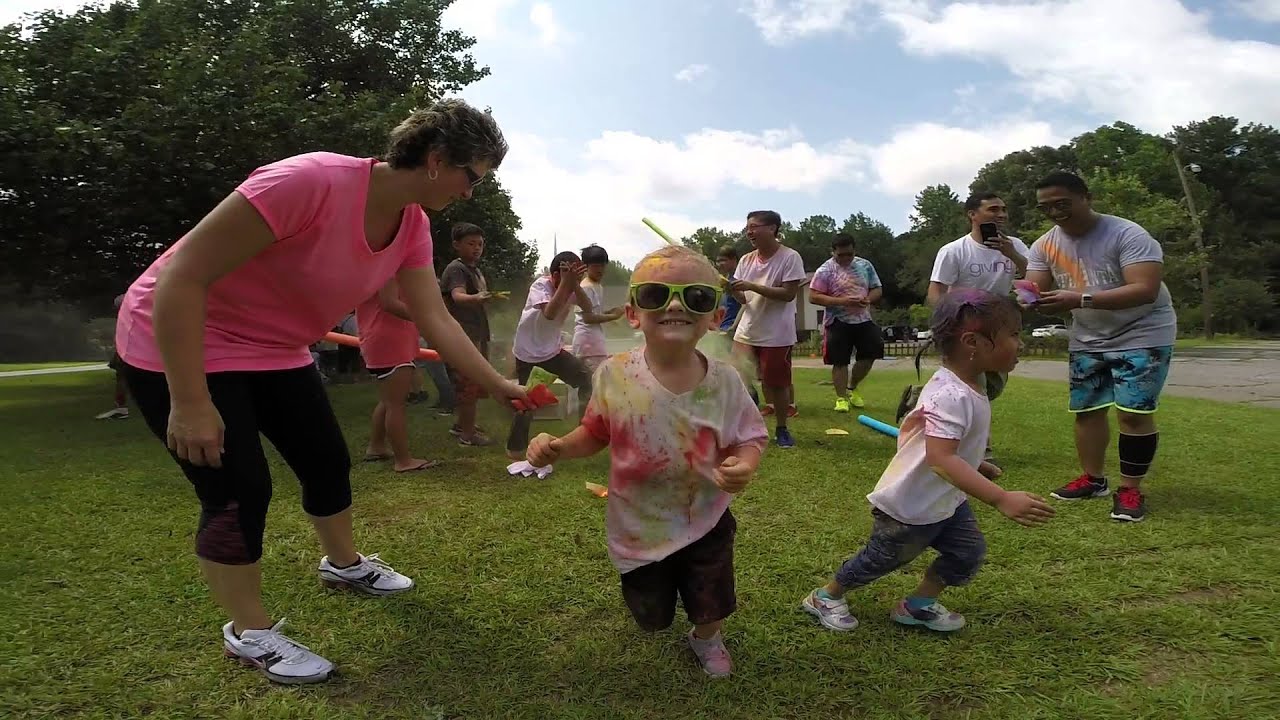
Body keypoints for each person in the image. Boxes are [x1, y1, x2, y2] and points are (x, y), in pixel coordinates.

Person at [113, 99, 528, 685]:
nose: (471, 193)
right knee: (238, 488)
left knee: (326, 461)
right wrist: (190, 400)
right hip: (182, 339)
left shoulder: (411, 223)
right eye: (474, 177)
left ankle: (344, 565)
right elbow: (184, 276)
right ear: (438, 161)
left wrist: (497, 383)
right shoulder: (307, 182)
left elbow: (434, 318)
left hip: (276, 347)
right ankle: (250, 633)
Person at [526, 245, 767, 678]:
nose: (675, 305)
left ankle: (707, 637)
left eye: (695, 297)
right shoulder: (613, 375)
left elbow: (750, 436)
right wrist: (560, 446)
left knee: (710, 593)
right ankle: (659, 611)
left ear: (715, 314)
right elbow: (595, 433)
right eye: (657, 294)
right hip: (638, 521)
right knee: (651, 614)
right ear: (633, 313)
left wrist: (744, 464)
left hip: (705, 516)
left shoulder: (724, 381)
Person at [802, 289, 1054, 634]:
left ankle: (916, 605)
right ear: (973, 342)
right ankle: (825, 596)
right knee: (882, 559)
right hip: (912, 503)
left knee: (967, 552)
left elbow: (945, 447)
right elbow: (939, 458)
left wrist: (974, 462)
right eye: (1013, 334)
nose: (1020, 343)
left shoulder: (972, 384)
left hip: (946, 500)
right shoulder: (951, 395)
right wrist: (1000, 497)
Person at [1024, 171, 1177, 523]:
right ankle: (1094, 479)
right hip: (1088, 335)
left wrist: (1080, 297)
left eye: (1062, 203)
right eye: (1046, 207)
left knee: (1132, 413)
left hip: (1144, 330)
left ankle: (1130, 488)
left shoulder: (1127, 234)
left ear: (1086, 197)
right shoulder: (1044, 245)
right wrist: (1029, 300)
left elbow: (1145, 289)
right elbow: (1033, 288)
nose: (1054, 212)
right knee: (1088, 410)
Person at [928, 192, 1030, 460]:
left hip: (1000, 325)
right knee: (974, 384)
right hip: (964, 327)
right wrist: (945, 324)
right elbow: (936, 290)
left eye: (1004, 209)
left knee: (993, 385)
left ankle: (920, 398)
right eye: (993, 209)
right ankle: (980, 448)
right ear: (972, 215)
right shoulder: (954, 250)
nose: (1001, 215)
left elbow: (1035, 278)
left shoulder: (1016, 245)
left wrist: (1012, 254)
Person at [505, 251, 594, 460]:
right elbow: (550, 313)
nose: (574, 280)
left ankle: (583, 436)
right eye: (568, 275)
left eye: (578, 275)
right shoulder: (540, 286)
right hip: (529, 354)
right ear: (555, 274)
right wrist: (566, 283)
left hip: (553, 351)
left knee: (585, 379)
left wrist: (575, 285)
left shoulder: (571, 287)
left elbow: (588, 309)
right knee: (527, 402)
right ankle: (515, 448)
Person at [729, 211, 806, 448]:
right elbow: (744, 299)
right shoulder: (746, 260)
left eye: (754, 227)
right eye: (747, 227)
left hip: (776, 333)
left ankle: (782, 429)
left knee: (777, 384)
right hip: (747, 329)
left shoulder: (790, 257)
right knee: (735, 377)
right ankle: (741, 427)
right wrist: (731, 289)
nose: (749, 232)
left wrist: (752, 285)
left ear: (772, 228)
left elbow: (788, 294)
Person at [357, 278, 439, 471]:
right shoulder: (390, 268)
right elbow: (390, 303)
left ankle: (376, 447)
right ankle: (404, 461)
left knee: (388, 400)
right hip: (390, 341)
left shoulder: (378, 266)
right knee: (396, 404)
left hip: (383, 339)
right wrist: (427, 318)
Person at [807, 233, 884, 412]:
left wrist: (868, 299)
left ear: (854, 250)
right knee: (840, 361)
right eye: (841, 255)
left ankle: (852, 387)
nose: (845, 258)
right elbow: (813, 296)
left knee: (870, 354)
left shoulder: (865, 265)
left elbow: (877, 288)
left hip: (863, 319)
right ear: (833, 252)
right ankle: (841, 398)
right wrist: (842, 301)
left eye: (849, 254)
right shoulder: (825, 270)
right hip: (837, 320)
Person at [440, 221, 496, 446]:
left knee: (474, 382)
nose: (477, 248)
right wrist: (477, 298)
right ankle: (468, 435)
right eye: (471, 243)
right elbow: (457, 296)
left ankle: (462, 425)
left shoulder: (474, 270)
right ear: (456, 244)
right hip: (460, 335)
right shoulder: (456, 269)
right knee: (468, 383)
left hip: (475, 334)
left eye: (480, 244)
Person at [572, 244, 624, 373]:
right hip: (588, 344)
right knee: (594, 383)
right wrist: (613, 316)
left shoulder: (597, 286)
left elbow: (594, 313)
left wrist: (611, 312)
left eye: (602, 265)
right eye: (595, 266)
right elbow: (588, 318)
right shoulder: (586, 287)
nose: (600, 269)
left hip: (592, 343)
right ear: (585, 267)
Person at [97, 293, 132, 419]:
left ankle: (121, 409)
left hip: (128, 350)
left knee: (122, 378)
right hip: (128, 349)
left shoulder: (128, 316)